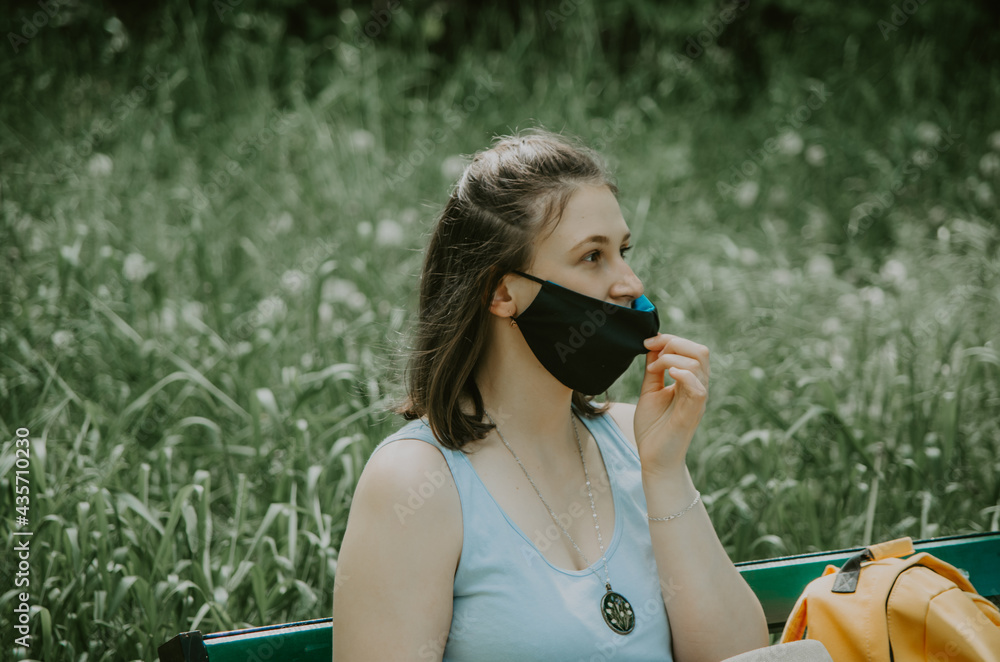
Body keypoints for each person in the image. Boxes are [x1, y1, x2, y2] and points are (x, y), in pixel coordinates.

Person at [332, 129, 769, 661]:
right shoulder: (416, 482)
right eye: (593, 256)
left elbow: (739, 657)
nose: (630, 283)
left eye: (623, 251)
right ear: (501, 291)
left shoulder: (636, 439)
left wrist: (665, 471)